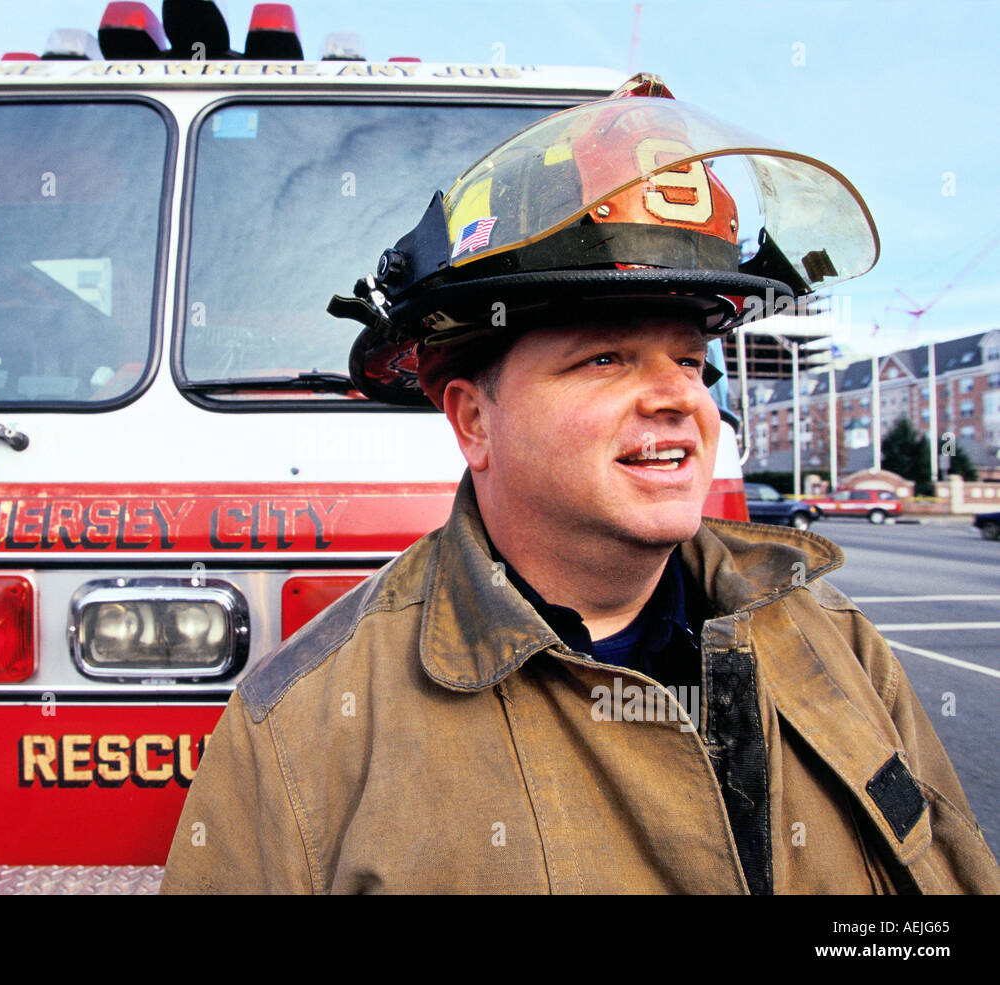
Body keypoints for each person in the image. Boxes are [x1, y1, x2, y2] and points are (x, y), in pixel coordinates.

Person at [159, 77, 1000, 894]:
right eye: (605, 358)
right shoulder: (305, 728)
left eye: (690, 359)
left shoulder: (837, 645)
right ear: (473, 421)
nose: (679, 398)